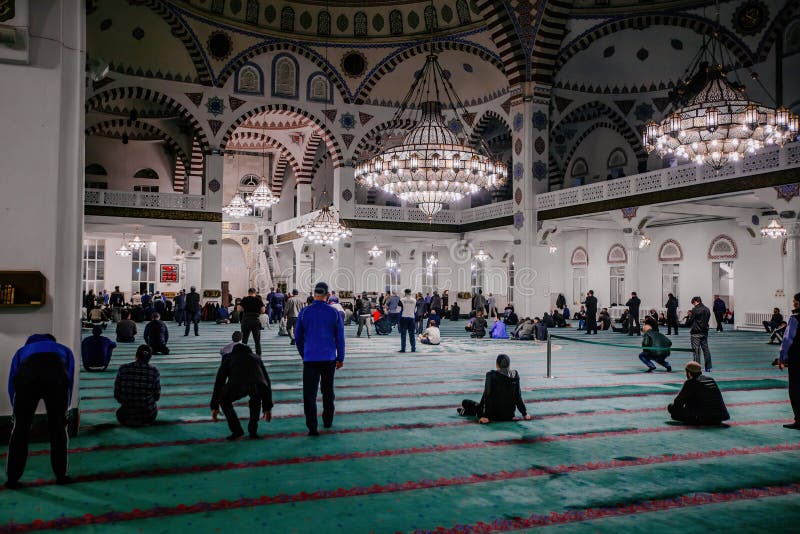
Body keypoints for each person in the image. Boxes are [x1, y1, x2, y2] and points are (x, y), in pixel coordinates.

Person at [5, 334, 75, 489]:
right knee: (58, 429)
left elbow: (12, 382)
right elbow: (69, 379)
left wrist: (16, 413)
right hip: (56, 380)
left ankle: (12, 479)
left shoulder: (22, 351)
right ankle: (61, 476)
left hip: (26, 380)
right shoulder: (64, 350)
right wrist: (66, 409)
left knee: (20, 430)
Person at [295, 282, 345, 436]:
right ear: (328, 295)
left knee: (309, 394)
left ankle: (312, 427)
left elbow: (298, 337)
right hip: (329, 358)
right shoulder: (334, 313)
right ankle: (328, 420)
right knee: (327, 391)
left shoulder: (304, 312)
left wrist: (305, 354)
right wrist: (340, 357)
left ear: (314, 294)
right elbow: (340, 338)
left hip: (310, 359)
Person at [210, 343, 273, 440]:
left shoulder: (228, 357)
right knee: (256, 400)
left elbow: (220, 382)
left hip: (237, 384)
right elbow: (266, 382)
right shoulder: (256, 357)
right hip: (257, 385)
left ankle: (237, 430)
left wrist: (214, 405)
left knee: (224, 401)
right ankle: (253, 431)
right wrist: (267, 407)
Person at [458, 354, 532, 424]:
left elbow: (487, 396)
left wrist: (485, 416)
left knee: (465, 402)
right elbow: (518, 397)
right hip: (509, 416)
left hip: (493, 416)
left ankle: (472, 412)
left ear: (497, 364)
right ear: (509, 365)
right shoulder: (515, 375)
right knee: (477, 406)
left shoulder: (491, 375)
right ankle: (474, 411)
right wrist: (524, 414)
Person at [114, 345, 161, 427]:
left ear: (136, 355)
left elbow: (117, 394)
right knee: (152, 407)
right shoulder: (154, 371)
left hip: (125, 416)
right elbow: (157, 397)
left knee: (120, 412)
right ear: (150, 357)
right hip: (147, 415)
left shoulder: (123, 368)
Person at [778, 292, 800, 429]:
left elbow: (787, 340)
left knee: (796, 389)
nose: (793, 302)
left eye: (794, 300)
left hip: (797, 358)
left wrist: (782, 358)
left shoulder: (795, 318)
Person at [686, 296, 712, 372]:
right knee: (706, 349)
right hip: (704, 332)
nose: (693, 305)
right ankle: (708, 367)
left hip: (696, 333)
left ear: (696, 301)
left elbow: (689, 322)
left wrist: (689, 316)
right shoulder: (707, 309)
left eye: (693, 303)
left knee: (696, 351)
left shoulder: (695, 310)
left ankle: (697, 368)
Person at [238, 288, 266, 356]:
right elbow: (263, 311)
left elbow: (239, 309)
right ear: (255, 293)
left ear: (248, 293)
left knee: (244, 340)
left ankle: (243, 355)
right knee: (257, 341)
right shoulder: (258, 300)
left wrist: (245, 308)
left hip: (246, 320)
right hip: (255, 320)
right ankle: (258, 356)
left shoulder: (245, 299)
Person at [398, 289, 417, 353]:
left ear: (405, 293)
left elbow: (399, 310)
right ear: (410, 293)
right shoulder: (414, 300)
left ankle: (403, 349)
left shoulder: (401, 300)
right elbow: (415, 310)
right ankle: (413, 348)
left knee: (403, 334)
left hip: (404, 317)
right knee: (412, 334)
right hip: (412, 318)